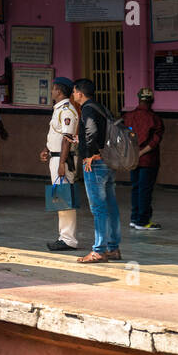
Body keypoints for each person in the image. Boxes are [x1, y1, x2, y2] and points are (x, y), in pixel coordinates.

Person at [71, 79, 121, 263]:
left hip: (96, 164)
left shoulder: (87, 109)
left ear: (80, 93)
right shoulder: (102, 108)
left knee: (98, 207)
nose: (74, 95)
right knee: (111, 205)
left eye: (74, 92)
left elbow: (91, 131)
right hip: (108, 162)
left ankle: (99, 250)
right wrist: (81, 140)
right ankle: (113, 248)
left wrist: (91, 154)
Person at [39, 77, 79, 252]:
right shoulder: (59, 110)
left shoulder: (67, 111)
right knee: (61, 197)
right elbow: (57, 136)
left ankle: (68, 239)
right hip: (56, 157)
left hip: (62, 159)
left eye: (54, 89)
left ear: (60, 91)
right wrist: (48, 149)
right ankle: (64, 237)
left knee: (64, 198)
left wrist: (62, 163)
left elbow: (67, 140)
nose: (51, 92)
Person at [123, 87, 164, 230]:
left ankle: (134, 218)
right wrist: (141, 153)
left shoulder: (128, 116)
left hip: (133, 159)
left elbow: (124, 137)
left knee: (135, 188)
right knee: (145, 190)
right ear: (151, 101)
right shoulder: (155, 119)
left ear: (139, 99)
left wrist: (134, 154)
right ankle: (143, 221)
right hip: (149, 160)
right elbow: (155, 141)